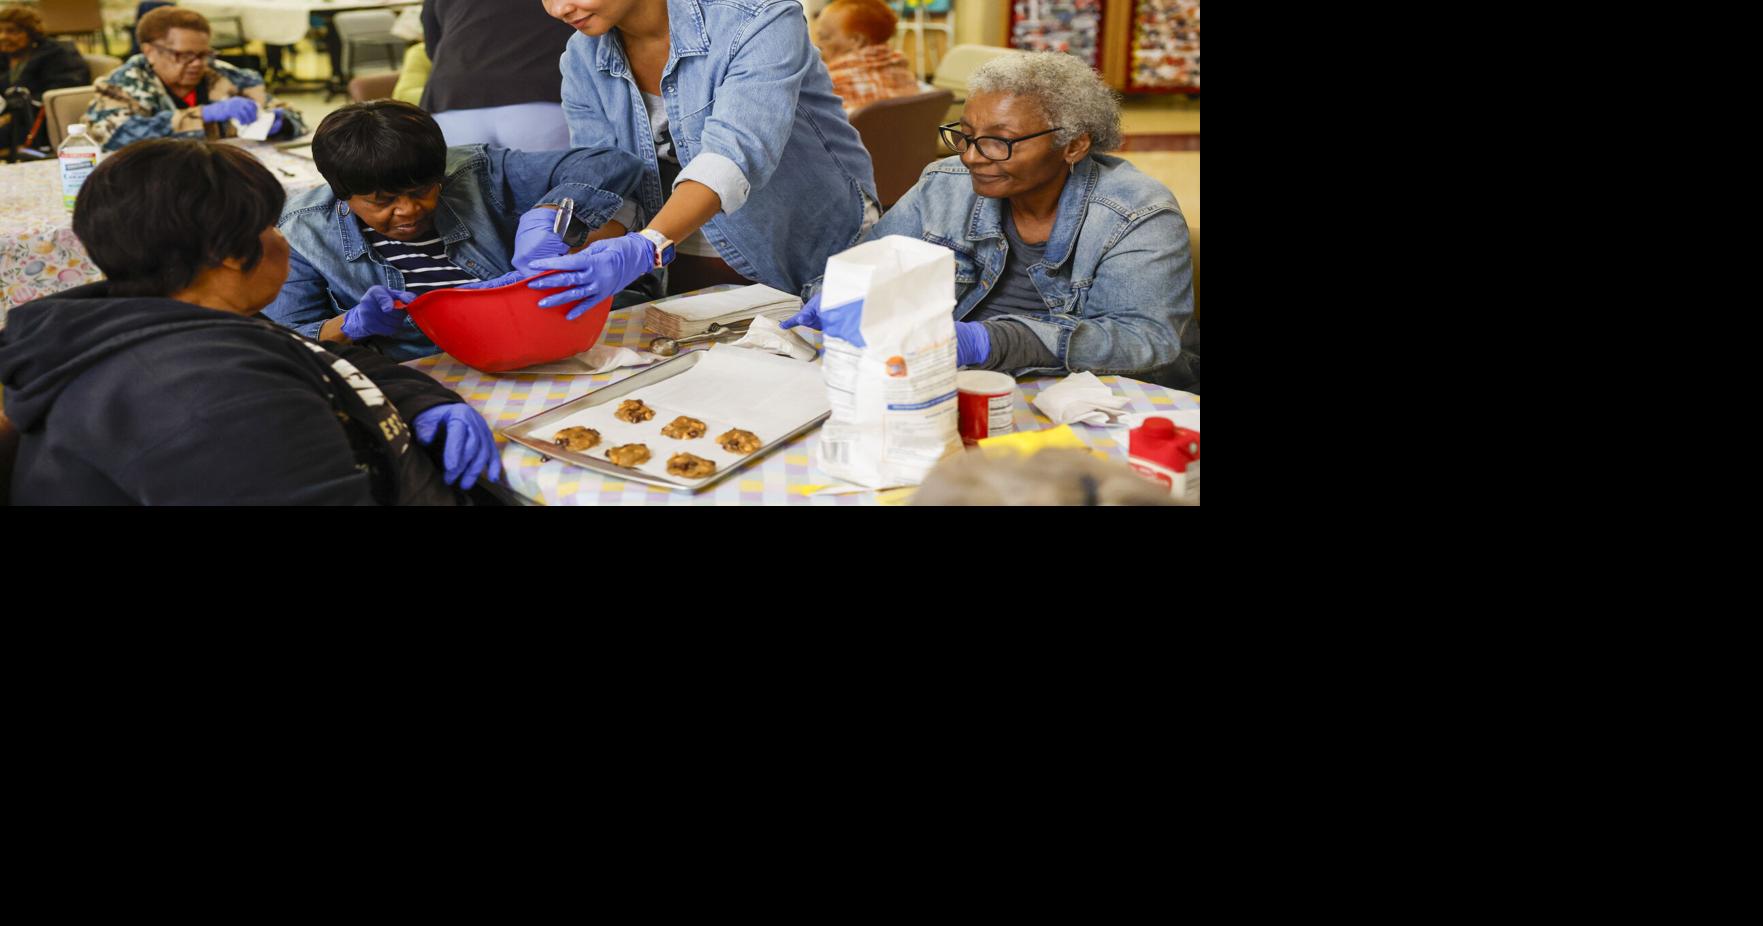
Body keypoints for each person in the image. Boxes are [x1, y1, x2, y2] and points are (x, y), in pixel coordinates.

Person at [0, 139, 503, 505]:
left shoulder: (173, 319)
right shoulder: (214, 398)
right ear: (227, 253)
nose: (282, 238)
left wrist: (421, 402)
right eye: (269, 224)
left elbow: (322, 357)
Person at [784, 52, 1199, 391]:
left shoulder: (1136, 214)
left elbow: (1144, 340)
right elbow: (869, 266)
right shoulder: (944, 186)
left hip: (1097, 398)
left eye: (999, 141)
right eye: (965, 135)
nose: (970, 157)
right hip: (956, 382)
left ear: (1073, 145)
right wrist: (841, 295)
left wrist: (989, 340)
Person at [530, 0, 878, 303]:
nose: (557, 9)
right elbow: (612, 182)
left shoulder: (759, 19)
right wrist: (566, 251)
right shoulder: (581, 58)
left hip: (811, 256)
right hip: (684, 265)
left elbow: (733, 158)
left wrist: (645, 245)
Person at [263, 99, 647, 360]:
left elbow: (610, 163)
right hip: (423, 381)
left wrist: (551, 213)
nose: (409, 210)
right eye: (383, 202)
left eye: (422, 191)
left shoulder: (475, 173)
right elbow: (285, 341)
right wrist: (345, 327)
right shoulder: (300, 232)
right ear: (342, 194)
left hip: (534, 345)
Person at [84, 6, 305, 152]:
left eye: (203, 54)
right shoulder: (122, 84)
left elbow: (295, 118)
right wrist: (202, 115)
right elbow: (111, 136)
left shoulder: (225, 75)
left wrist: (282, 122)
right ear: (150, 51)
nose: (197, 63)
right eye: (183, 55)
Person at [421, 0, 575, 149]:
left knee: (461, 176)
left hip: (452, 99)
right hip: (540, 99)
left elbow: (431, 44)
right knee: (560, 175)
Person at [813, 0, 918, 114]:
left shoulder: (828, 85)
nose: (818, 45)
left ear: (857, 40)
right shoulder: (904, 73)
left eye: (824, 38)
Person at [1, 5, 91, 130]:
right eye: (0, 31)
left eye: (12, 31)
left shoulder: (57, 54)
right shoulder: (5, 57)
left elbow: (57, 97)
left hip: (39, 123)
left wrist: (9, 115)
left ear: (31, 32)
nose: (3, 37)